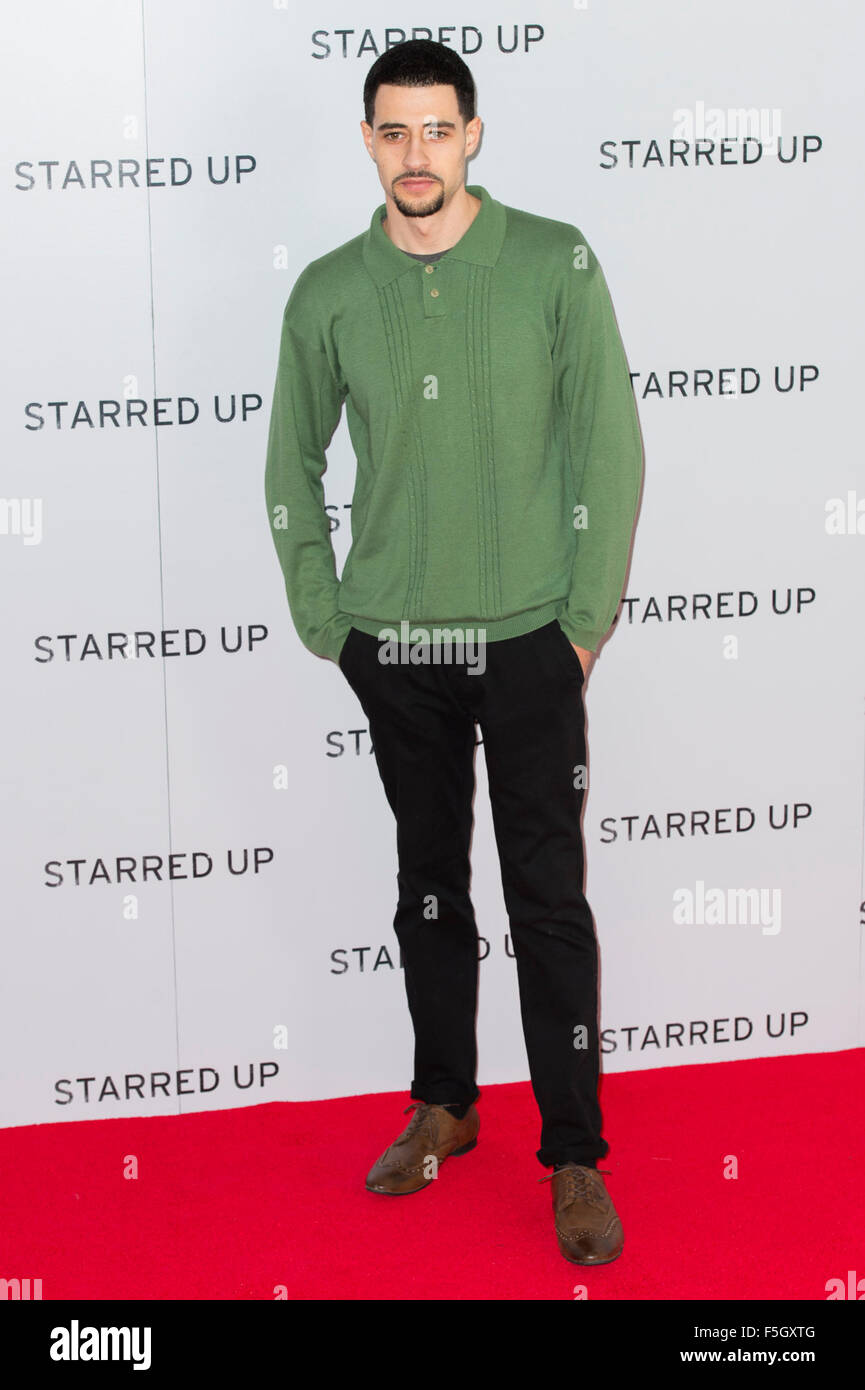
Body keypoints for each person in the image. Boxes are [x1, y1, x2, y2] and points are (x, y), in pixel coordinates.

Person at [264, 38, 643, 1265]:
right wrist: (330, 620)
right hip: (395, 644)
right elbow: (288, 463)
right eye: (392, 131)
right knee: (427, 885)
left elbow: (609, 450)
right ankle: (445, 1106)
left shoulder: (550, 261)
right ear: (368, 140)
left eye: (436, 129)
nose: (415, 154)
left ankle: (573, 1154)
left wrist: (581, 622)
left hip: (532, 638)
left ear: (471, 134)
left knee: (547, 901)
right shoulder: (327, 289)